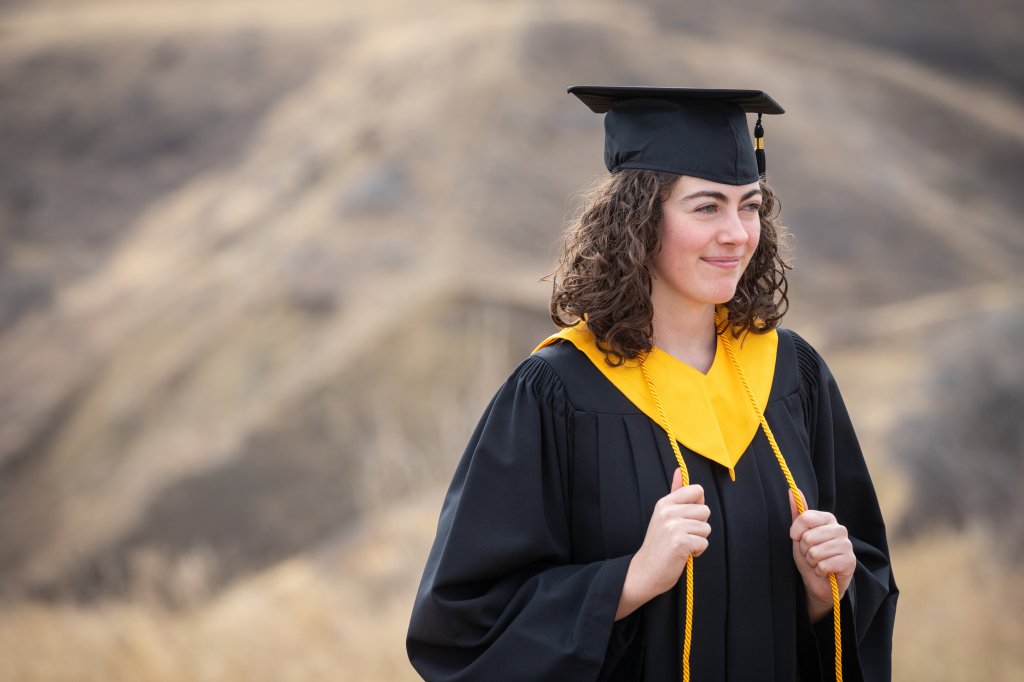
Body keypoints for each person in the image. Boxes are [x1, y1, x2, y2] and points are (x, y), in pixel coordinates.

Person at [407, 86, 897, 681]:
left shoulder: (793, 374)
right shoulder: (559, 391)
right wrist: (630, 580)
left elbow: (864, 576)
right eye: (707, 207)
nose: (737, 233)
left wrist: (829, 594)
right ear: (638, 219)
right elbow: (462, 625)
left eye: (749, 206)